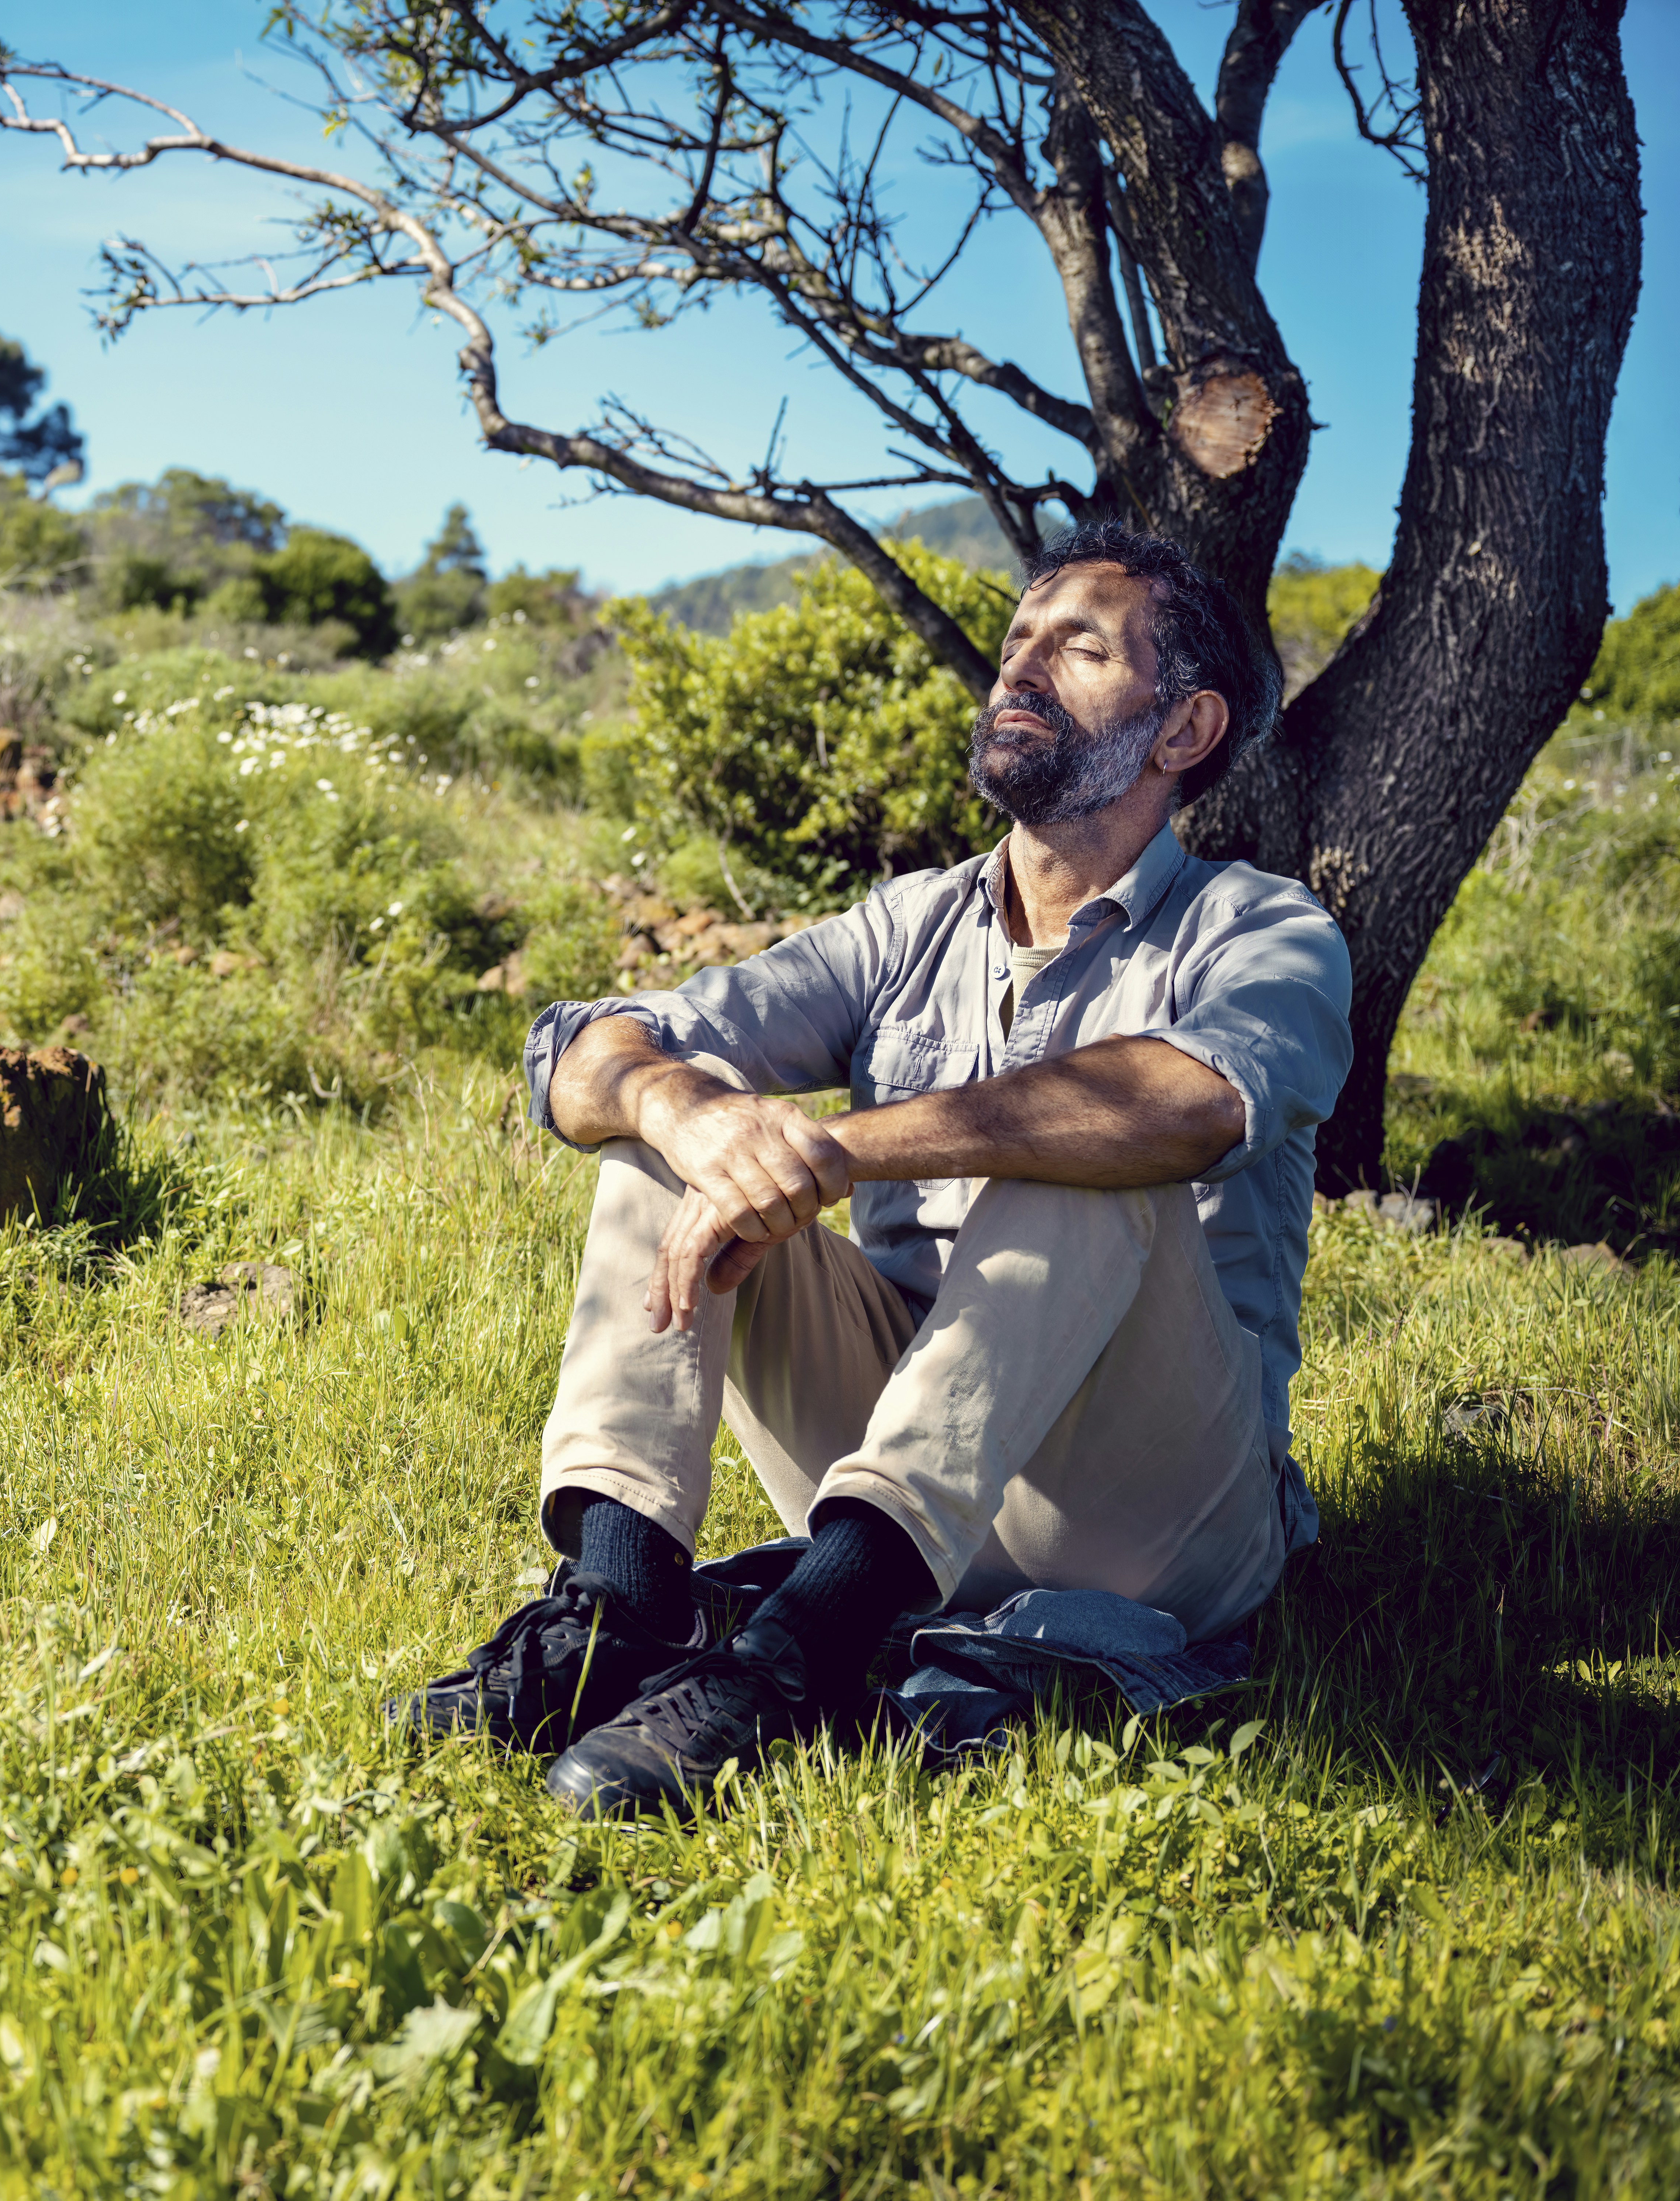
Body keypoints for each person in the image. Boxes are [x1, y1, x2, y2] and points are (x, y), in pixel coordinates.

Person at [391, 522, 1352, 1819]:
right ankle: (616, 1617)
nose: (1020, 670)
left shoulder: (1267, 928)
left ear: (1184, 732)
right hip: (894, 1456)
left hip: (1156, 1512)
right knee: (679, 1147)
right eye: (1018, 641)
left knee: (1082, 1154)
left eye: (1079, 650)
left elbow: (1184, 1104)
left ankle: (796, 1659)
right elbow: (587, 1051)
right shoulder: (909, 923)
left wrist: (836, 1147)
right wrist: (687, 1113)